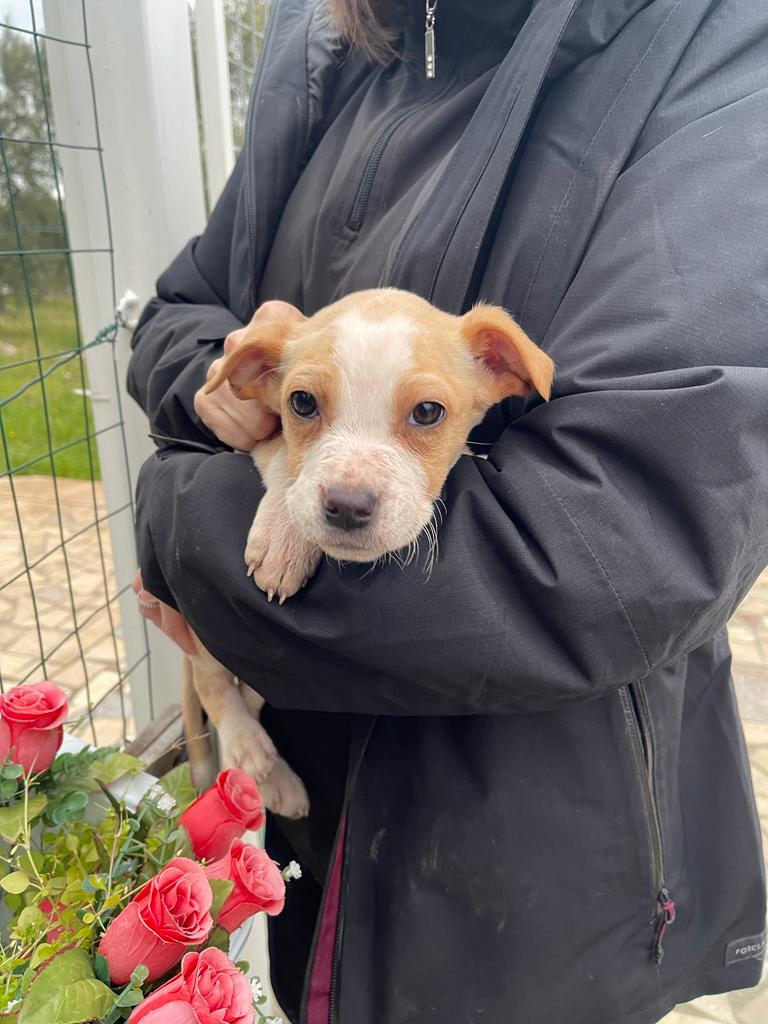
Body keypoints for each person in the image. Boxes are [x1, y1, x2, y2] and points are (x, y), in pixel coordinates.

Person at [127, 1, 768, 1022]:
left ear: (500, 371)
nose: (347, 480)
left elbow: (618, 538)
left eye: (424, 416)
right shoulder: (322, 49)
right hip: (319, 826)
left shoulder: (713, 45)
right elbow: (180, 317)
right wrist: (238, 407)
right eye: (306, 404)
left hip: (532, 888)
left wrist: (171, 510)